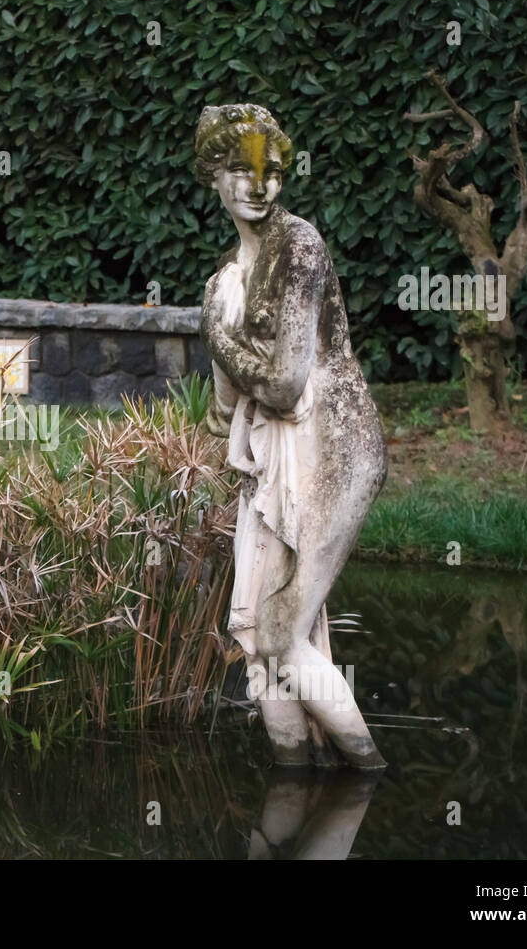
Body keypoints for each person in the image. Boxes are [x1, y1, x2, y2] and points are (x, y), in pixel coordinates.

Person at [195, 103, 387, 768]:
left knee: (281, 631)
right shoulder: (225, 281)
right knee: (257, 631)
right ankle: (298, 775)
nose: (257, 184)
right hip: (270, 459)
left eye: (271, 172)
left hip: (332, 445)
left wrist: (216, 334)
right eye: (240, 170)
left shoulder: (298, 246)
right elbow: (223, 410)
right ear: (213, 174)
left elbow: (281, 383)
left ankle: (367, 772)